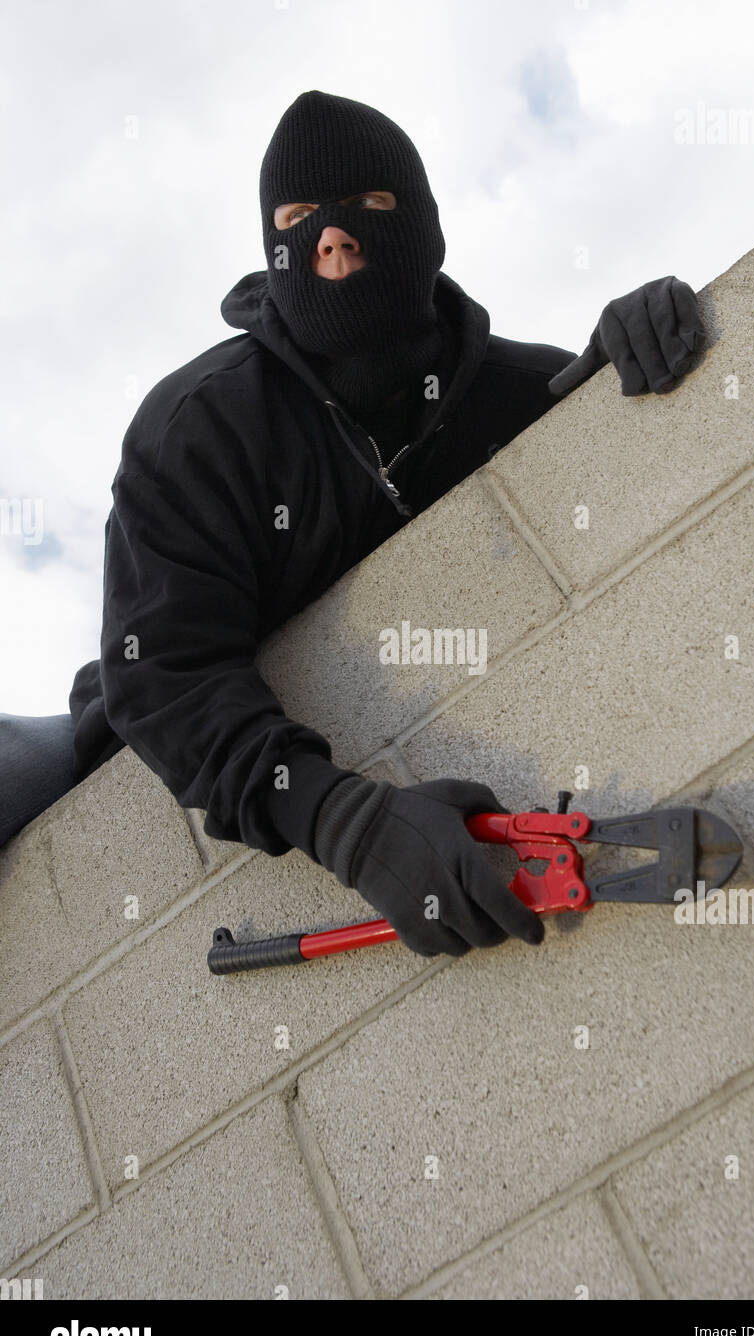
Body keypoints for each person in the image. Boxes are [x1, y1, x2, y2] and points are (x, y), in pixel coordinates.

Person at [0, 91, 706, 956]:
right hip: (101, 734)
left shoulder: (525, 392)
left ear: (424, 227)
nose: (330, 238)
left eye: (366, 206)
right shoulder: (203, 426)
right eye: (297, 219)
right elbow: (166, 673)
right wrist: (345, 821)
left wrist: (649, 352)